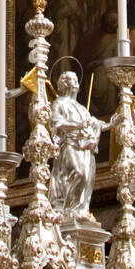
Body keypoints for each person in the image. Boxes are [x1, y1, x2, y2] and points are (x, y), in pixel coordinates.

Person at [48, 69, 109, 220]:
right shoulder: (59, 103)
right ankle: (69, 209)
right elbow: (57, 123)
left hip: (85, 148)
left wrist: (112, 124)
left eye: (76, 79)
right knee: (79, 173)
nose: (75, 82)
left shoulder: (82, 108)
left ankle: (79, 209)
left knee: (87, 178)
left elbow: (95, 125)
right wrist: (78, 124)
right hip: (69, 144)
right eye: (71, 80)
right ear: (64, 84)